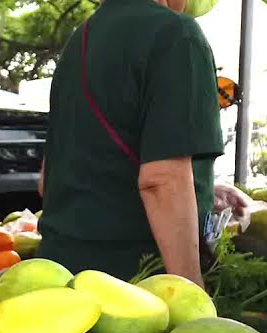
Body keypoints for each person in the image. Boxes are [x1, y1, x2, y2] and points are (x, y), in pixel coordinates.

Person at [38, 0, 224, 285]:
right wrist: (192, 294)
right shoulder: (176, 34)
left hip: (57, 274)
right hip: (134, 282)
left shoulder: (81, 37)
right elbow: (162, 180)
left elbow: (47, 178)